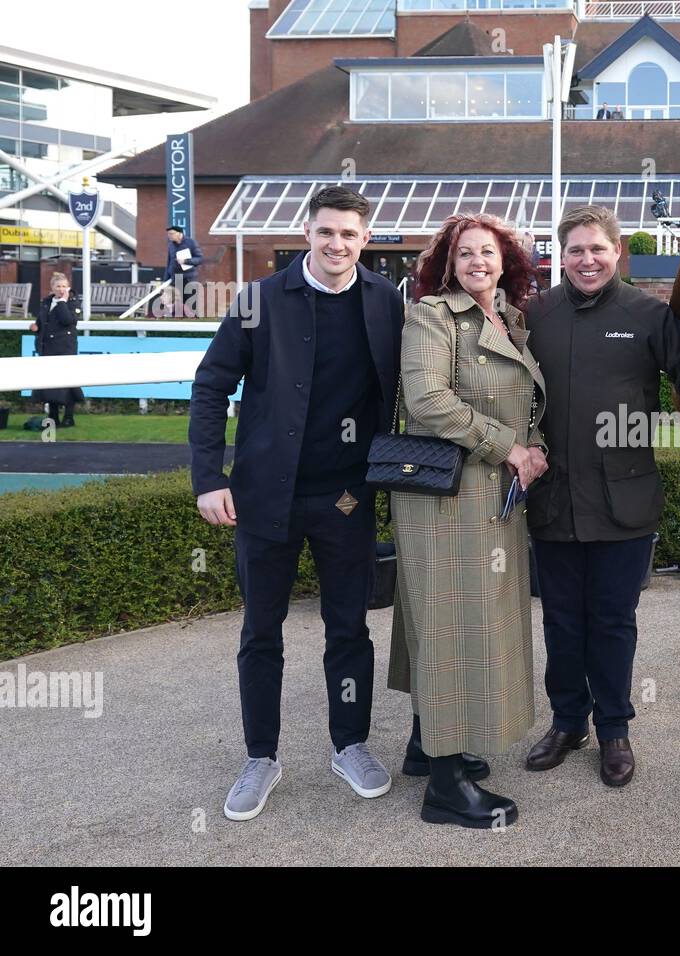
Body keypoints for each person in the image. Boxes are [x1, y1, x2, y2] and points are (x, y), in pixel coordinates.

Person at [189, 186, 404, 822]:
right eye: (326, 232)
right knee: (261, 630)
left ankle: (351, 745)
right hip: (263, 498)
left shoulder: (386, 302)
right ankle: (261, 756)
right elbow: (210, 388)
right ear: (306, 233)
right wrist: (208, 477)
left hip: (346, 498)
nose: (337, 244)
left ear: (366, 240)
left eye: (349, 234)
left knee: (349, 628)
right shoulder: (258, 301)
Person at [523, 205, 680, 787]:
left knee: (613, 621)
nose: (587, 260)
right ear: (561, 257)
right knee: (561, 621)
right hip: (553, 498)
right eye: (576, 250)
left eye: (598, 249)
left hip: (624, 501)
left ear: (618, 254)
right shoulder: (535, 313)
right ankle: (567, 722)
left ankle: (614, 728)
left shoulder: (647, 313)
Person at [385, 213, 547, 830]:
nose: (477, 261)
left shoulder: (509, 319)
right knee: (451, 623)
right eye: (464, 253)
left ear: (505, 260)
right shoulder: (432, 315)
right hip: (445, 496)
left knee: (456, 619)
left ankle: (428, 749)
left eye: (488, 251)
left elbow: (523, 398)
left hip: (489, 493)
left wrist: (534, 446)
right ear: (448, 264)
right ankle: (447, 789)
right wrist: (509, 447)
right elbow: (426, 400)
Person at [30, 272, 83, 427]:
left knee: (68, 384)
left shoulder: (72, 303)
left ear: (68, 287)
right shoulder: (46, 302)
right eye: (58, 286)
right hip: (47, 349)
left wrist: (62, 302)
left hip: (65, 348)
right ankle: (53, 416)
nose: (61, 289)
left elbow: (67, 320)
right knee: (49, 384)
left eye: (64, 286)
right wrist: (35, 327)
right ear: (52, 288)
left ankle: (69, 416)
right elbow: (42, 321)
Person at [163, 224, 204, 317]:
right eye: (168, 234)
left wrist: (186, 261)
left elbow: (200, 259)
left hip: (189, 279)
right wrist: (165, 281)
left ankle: (193, 326)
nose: (169, 236)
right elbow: (169, 263)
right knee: (177, 306)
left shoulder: (191, 243)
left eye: (171, 234)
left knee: (191, 305)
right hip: (176, 279)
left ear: (179, 233)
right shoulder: (170, 245)